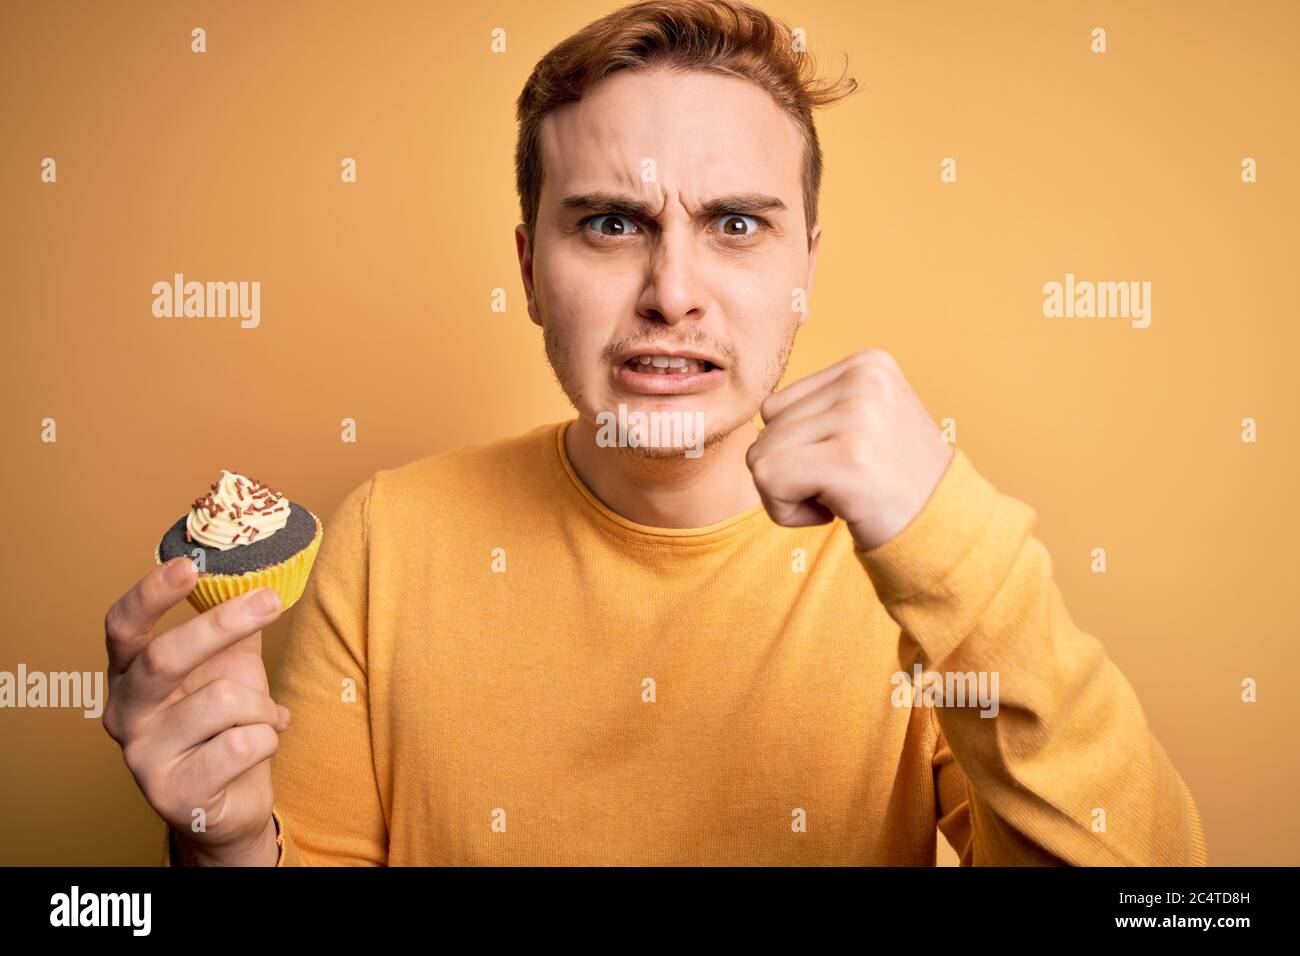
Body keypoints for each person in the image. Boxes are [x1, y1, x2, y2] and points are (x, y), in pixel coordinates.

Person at [102, 0, 1206, 866]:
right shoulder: (394, 535)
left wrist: (961, 549)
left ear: (804, 269)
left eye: (735, 223)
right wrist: (228, 844)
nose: (672, 291)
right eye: (611, 223)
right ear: (530, 267)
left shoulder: (925, 562)